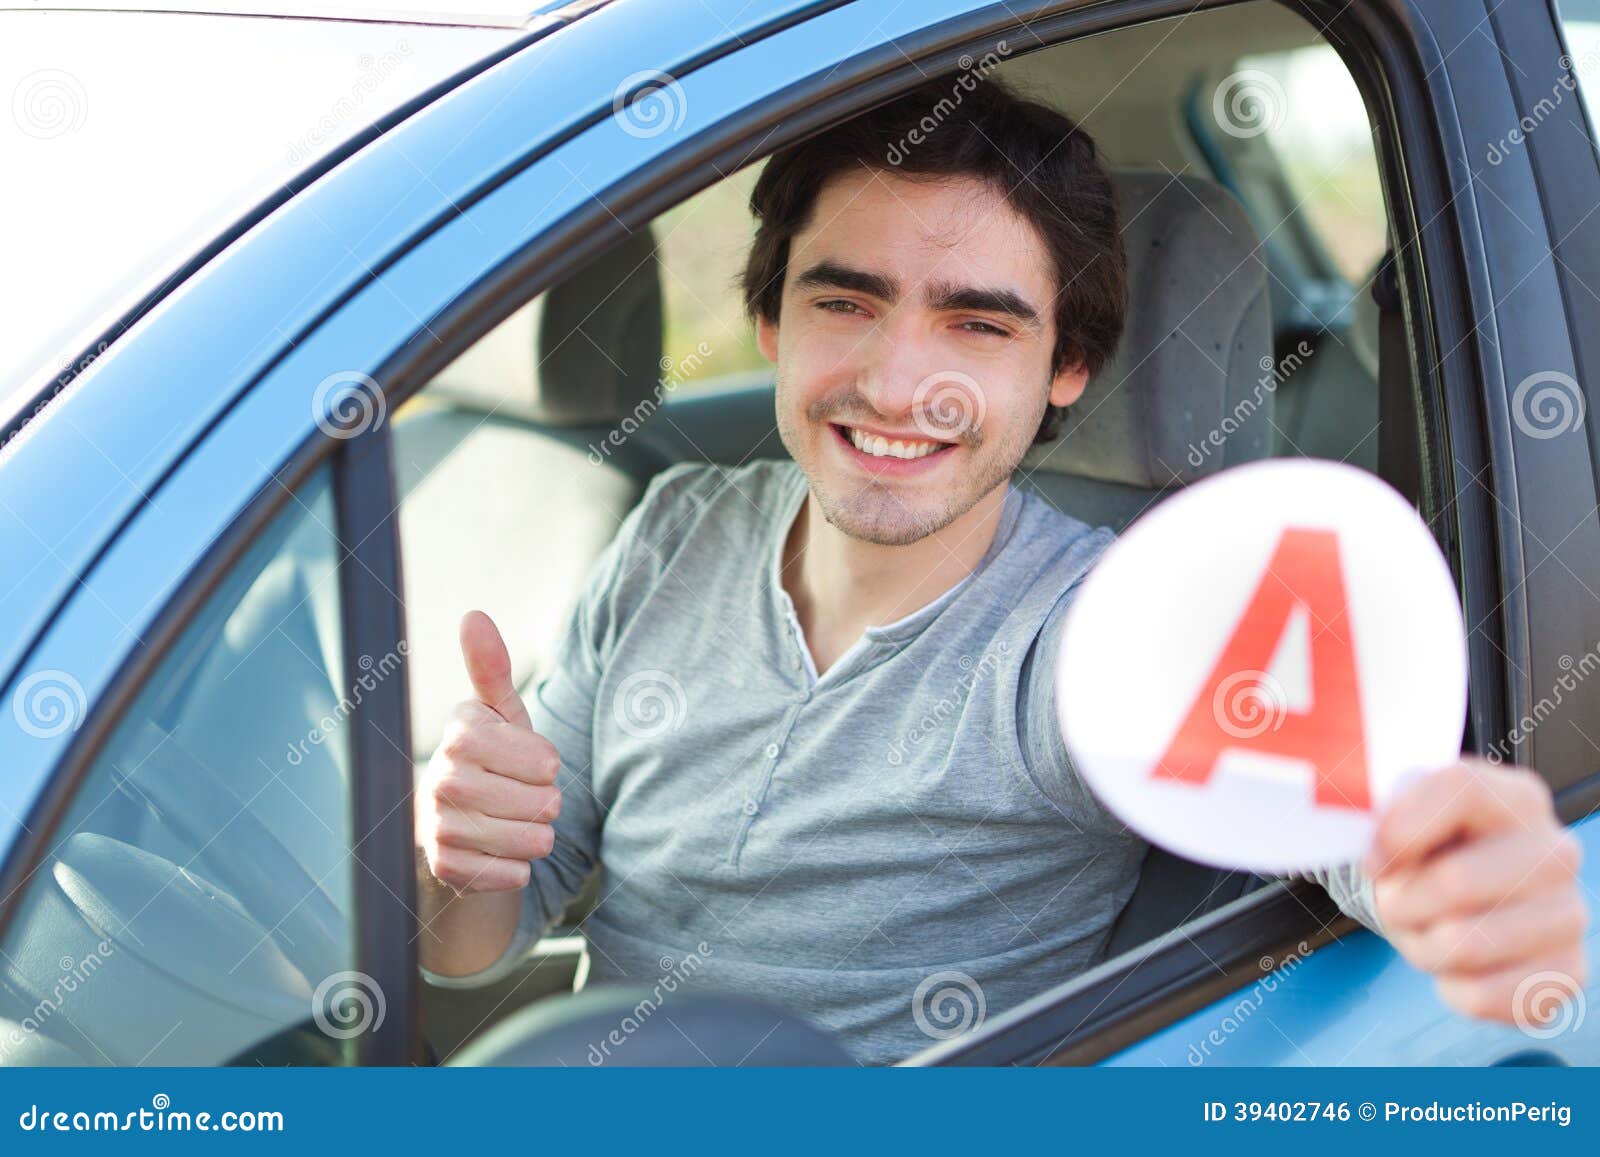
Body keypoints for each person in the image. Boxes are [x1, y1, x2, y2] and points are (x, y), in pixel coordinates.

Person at [413, 76, 1586, 1064]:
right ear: (770, 322)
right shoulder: (676, 524)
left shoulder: (1116, 621)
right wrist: (458, 850)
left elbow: (1350, 820)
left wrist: (1459, 874)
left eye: (978, 325)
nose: (897, 381)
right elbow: (473, 938)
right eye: (845, 301)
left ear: (1066, 366)